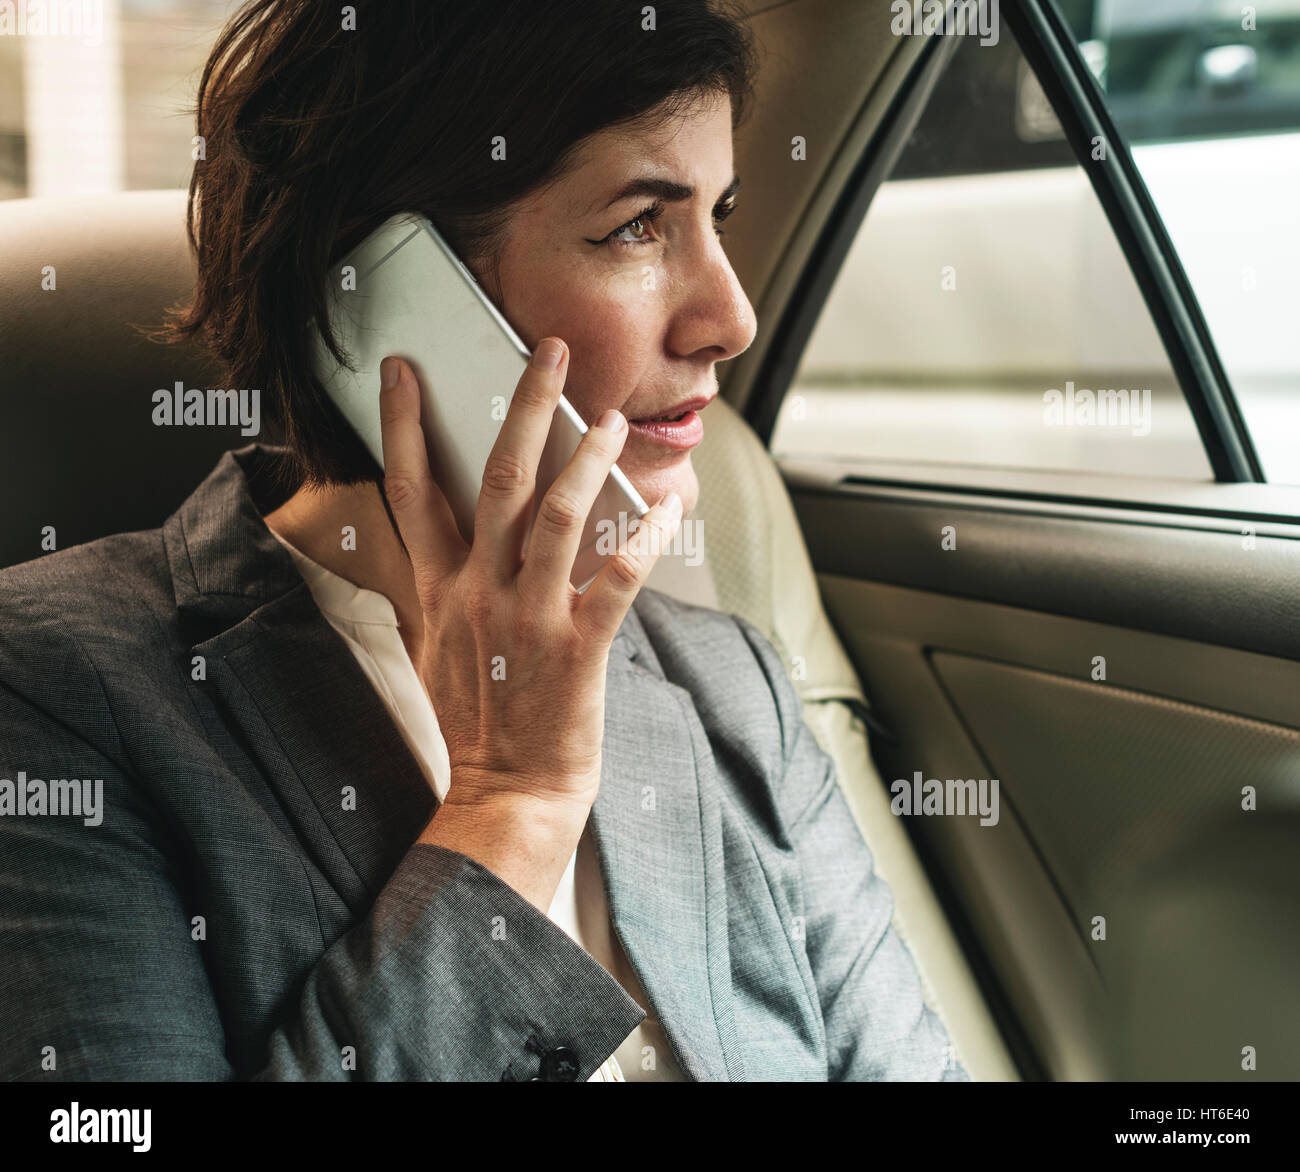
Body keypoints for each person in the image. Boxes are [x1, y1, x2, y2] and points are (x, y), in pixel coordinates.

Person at [0, 0, 966, 1081]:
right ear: (389, 299)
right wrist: (510, 803)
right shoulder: (55, 689)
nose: (729, 316)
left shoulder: (732, 687)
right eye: (639, 227)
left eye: (718, 216)